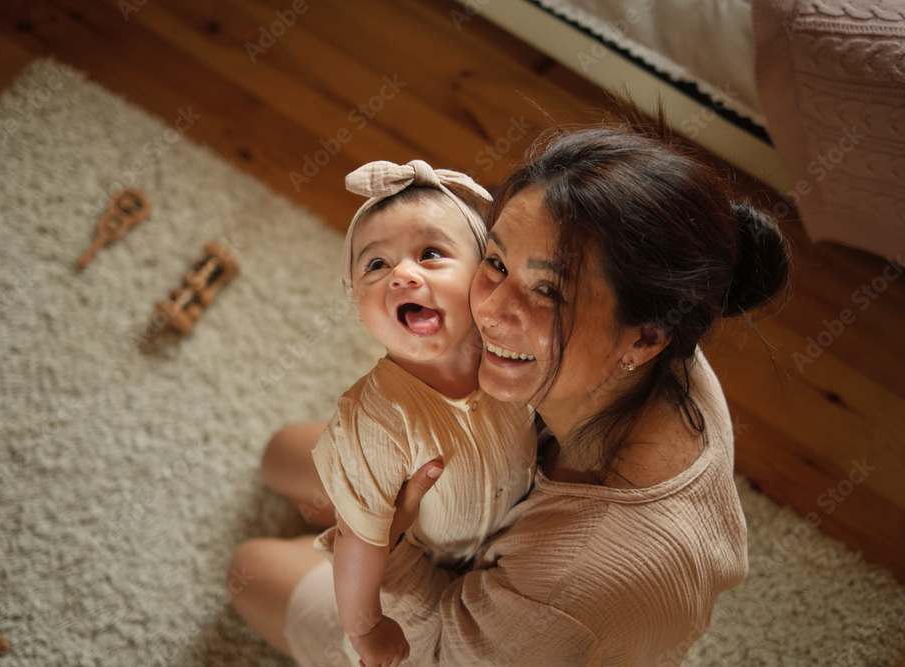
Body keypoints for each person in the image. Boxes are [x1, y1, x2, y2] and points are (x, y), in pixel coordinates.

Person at [228, 101, 790, 666]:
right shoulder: (649, 349)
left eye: (547, 291)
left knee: (251, 571)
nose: (491, 311)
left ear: (644, 338)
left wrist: (392, 555)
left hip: (476, 631)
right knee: (282, 454)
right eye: (495, 263)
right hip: (462, 514)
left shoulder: (570, 586)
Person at [307, 159, 538, 666]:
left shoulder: (510, 353)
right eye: (376, 265)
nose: (402, 275)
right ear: (355, 300)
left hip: (504, 543)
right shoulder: (376, 419)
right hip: (416, 556)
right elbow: (361, 542)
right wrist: (366, 626)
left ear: (483, 274)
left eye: (430, 254)